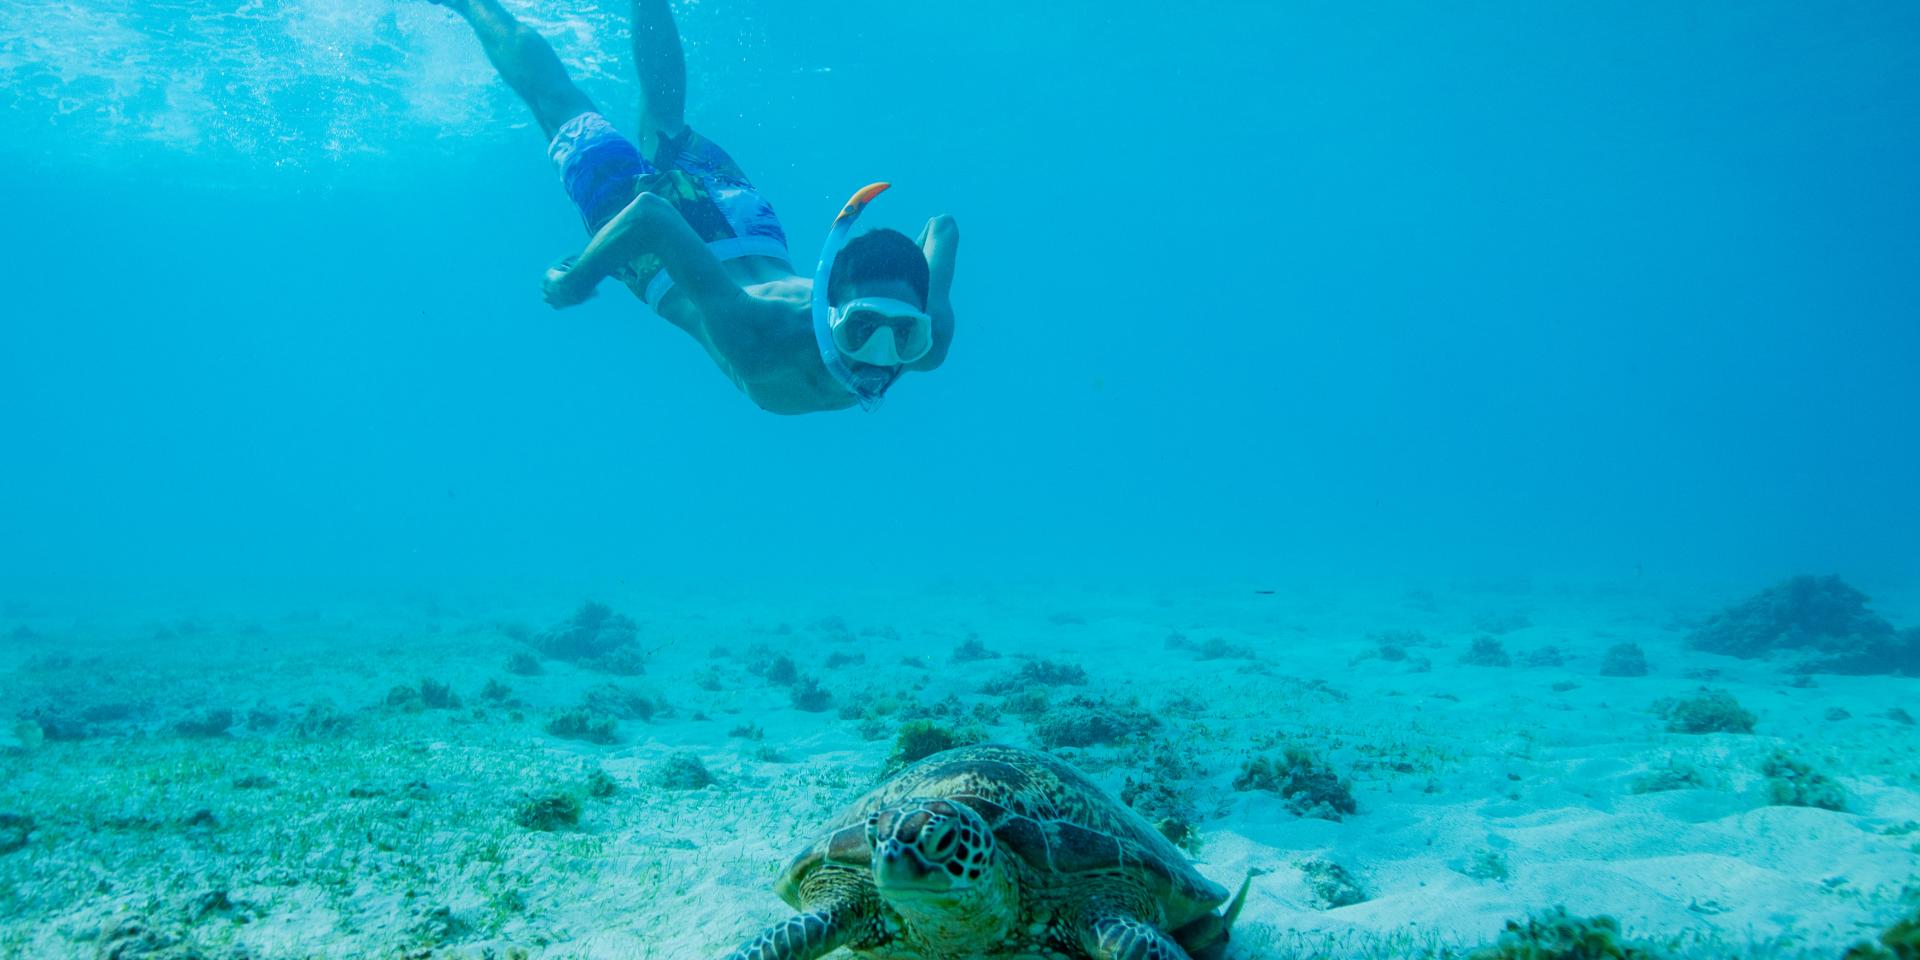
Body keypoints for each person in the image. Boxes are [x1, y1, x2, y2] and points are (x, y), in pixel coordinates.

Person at [429, 0, 957, 413]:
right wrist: (579, 280)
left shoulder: (925, 342)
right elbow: (649, 218)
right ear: (828, 306)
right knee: (560, 105)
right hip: (662, 253)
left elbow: (942, 229)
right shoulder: (756, 340)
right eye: (861, 327)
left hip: (747, 225)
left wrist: (911, 288)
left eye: (904, 335)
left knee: (664, 117)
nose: (879, 361)